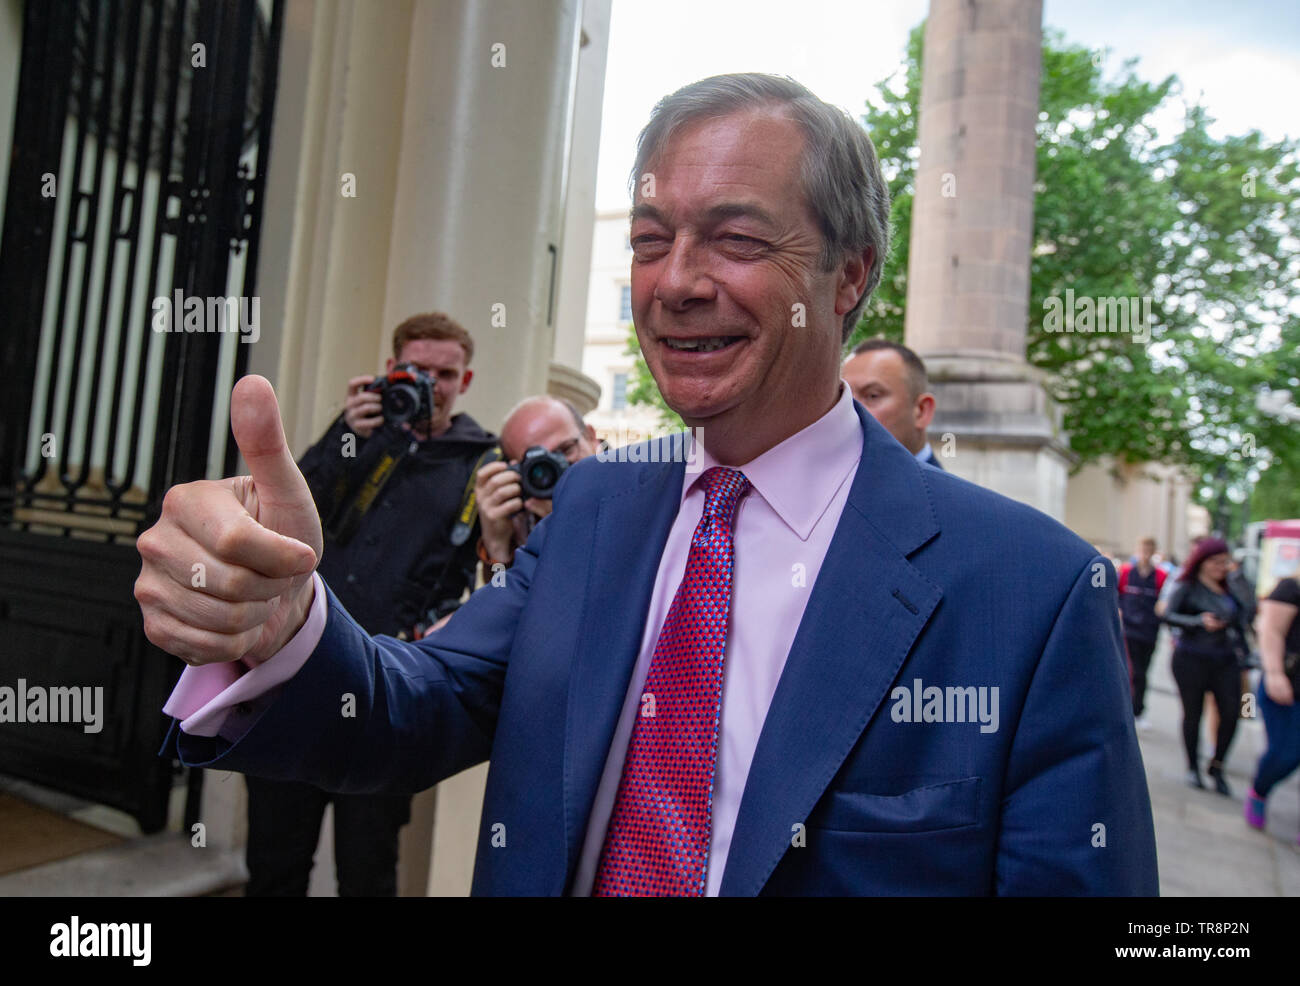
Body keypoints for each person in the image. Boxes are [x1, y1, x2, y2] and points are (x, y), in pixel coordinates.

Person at [135, 73, 1157, 896]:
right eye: (648, 238)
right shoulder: (592, 508)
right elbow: (421, 704)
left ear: (848, 275)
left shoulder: (1032, 590)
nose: (675, 279)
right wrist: (287, 626)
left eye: (737, 237)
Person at [243, 312, 497, 896]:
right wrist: (344, 434)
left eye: (446, 374)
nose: (431, 385)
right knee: (274, 865)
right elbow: (274, 521)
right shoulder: (359, 434)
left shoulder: (480, 462)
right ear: (391, 370)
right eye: (418, 371)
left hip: (386, 692)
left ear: (466, 380)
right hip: (292, 682)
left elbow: (498, 573)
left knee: (368, 873)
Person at [1160, 537, 1251, 796]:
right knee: (1193, 713)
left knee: (1235, 712)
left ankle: (1217, 765)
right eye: (1216, 562)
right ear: (1202, 562)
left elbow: (1247, 614)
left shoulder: (1231, 587)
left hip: (1227, 660)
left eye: (1225, 562)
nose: (1221, 567)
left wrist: (1237, 579)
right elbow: (1167, 615)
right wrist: (1198, 622)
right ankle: (1192, 766)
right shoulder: (1187, 586)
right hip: (1192, 658)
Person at [474, 396, 600, 573]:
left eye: (565, 449)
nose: (556, 467)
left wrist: (570, 527)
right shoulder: (522, 520)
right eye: (538, 467)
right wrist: (497, 549)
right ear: (515, 472)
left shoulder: (634, 494)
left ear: (591, 437)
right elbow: (501, 594)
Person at [1245, 568, 1300, 838]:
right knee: (1286, 752)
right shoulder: (1291, 587)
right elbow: (1271, 631)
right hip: (1288, 687)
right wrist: (1275, 674)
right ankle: (1260, 789)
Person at [842, 338, 942, 469]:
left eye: (872, 395)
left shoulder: (947, 489)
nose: (850, 409)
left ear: (922, 411)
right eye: (844, 396)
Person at [1118, 537, 1166, 730]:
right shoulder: (1126, 573)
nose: (1145, 552)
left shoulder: (1160, 576)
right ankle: (1127, 709)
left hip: (1148, 631)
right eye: (1143, 548)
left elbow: (1164, 602)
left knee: (1142, 672)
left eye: (1149, 548)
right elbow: (1116, 595)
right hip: (1129, 629)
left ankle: (1138, 710)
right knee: (1130, 670)